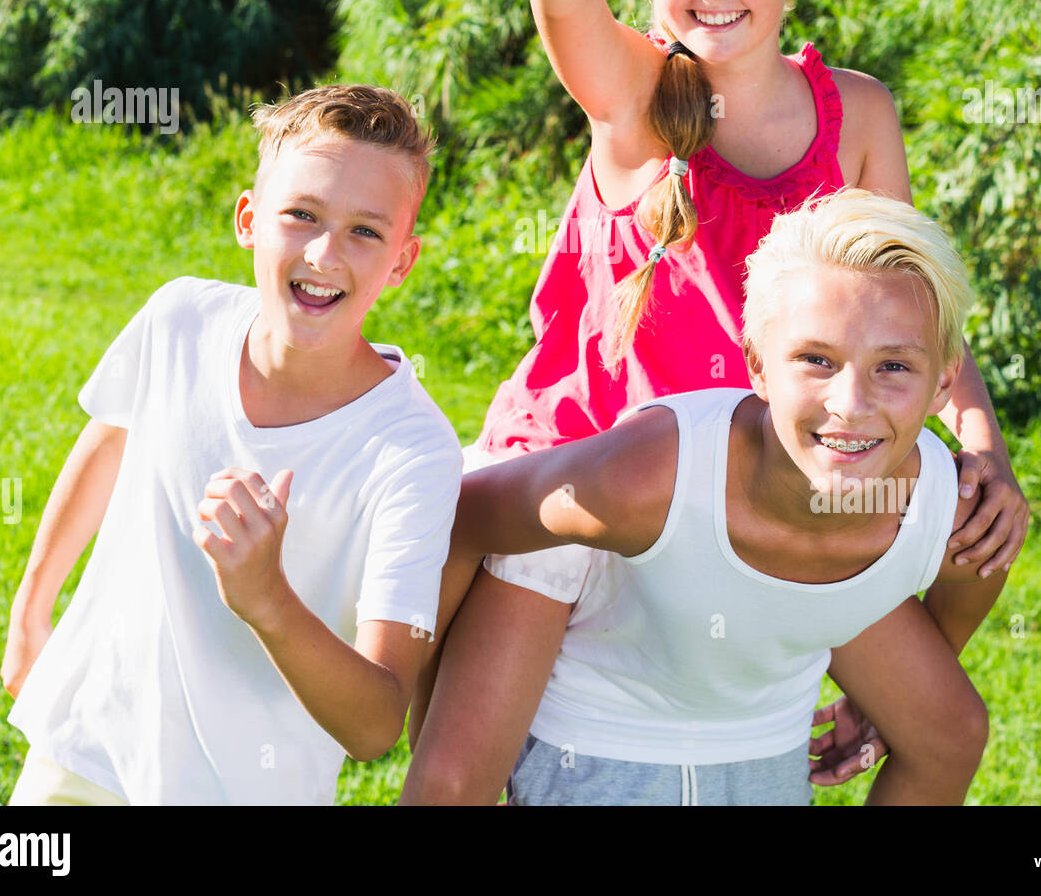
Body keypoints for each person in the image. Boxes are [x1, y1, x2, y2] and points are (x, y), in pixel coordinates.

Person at [403, 0, 1028, 804]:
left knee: (949, 717)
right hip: (589, 470)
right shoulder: (637, 95)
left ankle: (844, 699)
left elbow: (906, 304)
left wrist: (975, 431)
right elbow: (560, 2)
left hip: (772, 472)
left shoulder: (859, 114)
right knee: (451, 777)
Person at [423, 189, 1003, 805]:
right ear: (756, 366)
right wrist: (425, 695)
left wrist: (880, 697)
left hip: (764, 753)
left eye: (893, 367)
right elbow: (465, 513)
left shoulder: (950, 517)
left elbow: (972, 590)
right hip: (599, 746)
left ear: (944, 382)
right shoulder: (643, 480)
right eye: (815, 360)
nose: (850, 406)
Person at [1, 85, 462, 805]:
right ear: (249, 218)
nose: (323, 252)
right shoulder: (179, 318)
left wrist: (266, 597)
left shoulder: (412, 452)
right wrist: (33, 603)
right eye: (301, 214)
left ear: (403, 261)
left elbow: (375, 723)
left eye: (364, 231)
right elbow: (115, 437)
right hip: (85, 748)